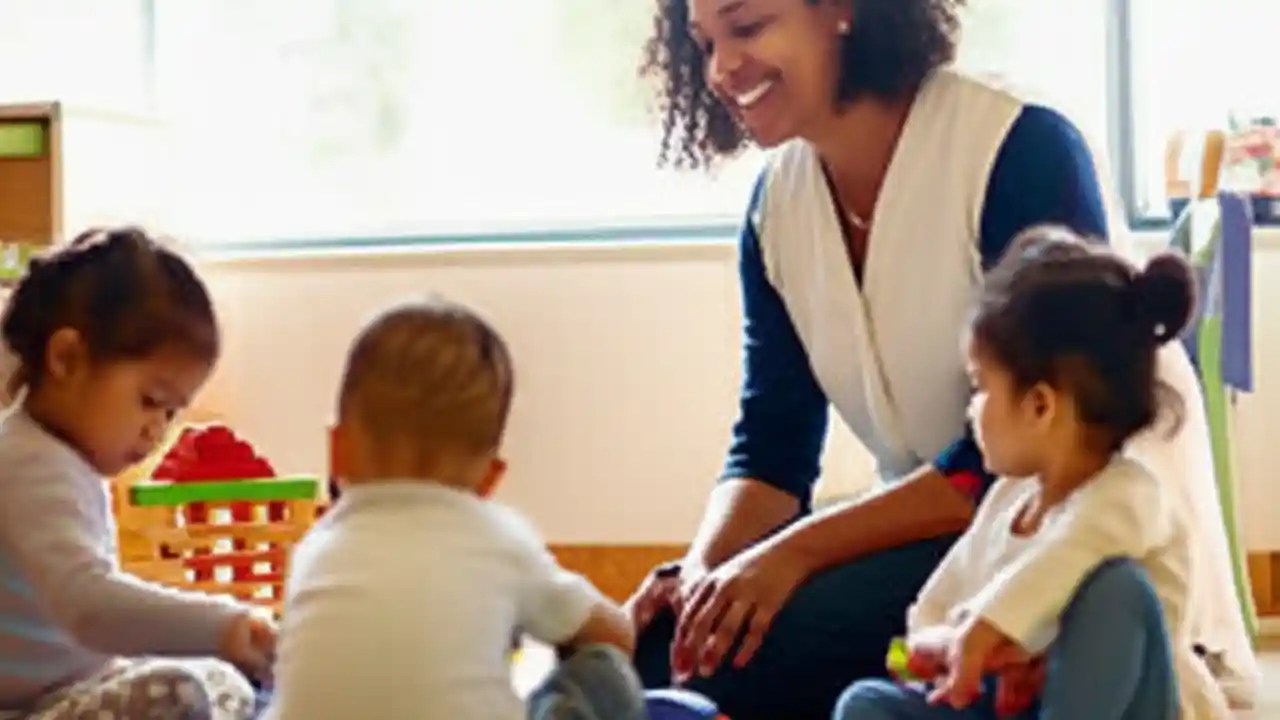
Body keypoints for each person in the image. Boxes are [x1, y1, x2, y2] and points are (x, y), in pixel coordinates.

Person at [630, 1, 1255, 717]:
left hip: (1064, 521)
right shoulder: (777, 209)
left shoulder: (1015, 145)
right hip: (953, 536)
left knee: (752, 654)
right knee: (670, 649)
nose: (719, 68)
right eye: (704, 43)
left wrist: (792, 554)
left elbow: (1013, 445)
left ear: (839, 10)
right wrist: (704, 575)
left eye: (747, 29)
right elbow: (770, 446)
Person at [836, 227, 1231, 719]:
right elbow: (924, 619)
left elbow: (1066, 553)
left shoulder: (1129, 495)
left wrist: (992, 630)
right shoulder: (1006, 502)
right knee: (864, 704)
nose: (971, 411)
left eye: (980, 388)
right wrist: (943, 648)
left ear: (1040, 405)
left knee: (1119, 588)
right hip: (1003, 708)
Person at [262, 298, 647, 720]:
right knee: (605, 672)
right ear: (490, 479)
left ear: (336, 449)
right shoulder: (502, 542)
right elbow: (614, 635)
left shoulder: (316, 549)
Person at [0, 227, 274, 719]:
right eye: (150, 402)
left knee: (222, 679)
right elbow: (89, 606)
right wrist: (224, 625)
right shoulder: (26, 464)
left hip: (79, 682)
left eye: (172, 413)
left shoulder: (58, 456)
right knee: (178, 691)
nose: (157, 431)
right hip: (28, 705)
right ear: (66, 359)